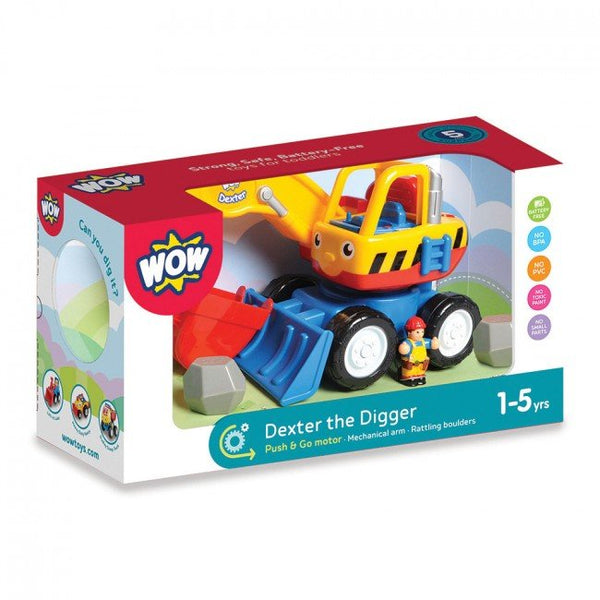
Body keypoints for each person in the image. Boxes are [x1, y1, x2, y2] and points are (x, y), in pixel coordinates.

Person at [398, 316, 439, 386]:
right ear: (409, 333)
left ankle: (420, 378)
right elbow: (403, 350)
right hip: (411, 364)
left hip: (421, 364)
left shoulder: (423, 341)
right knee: (409, 373)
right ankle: (409, 379)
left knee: (420, 372)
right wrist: (404, 348)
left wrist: (434, 343)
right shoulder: (409, 342)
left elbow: (430, 344)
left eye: (422, 331)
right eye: (417, 332)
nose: (420, 335)